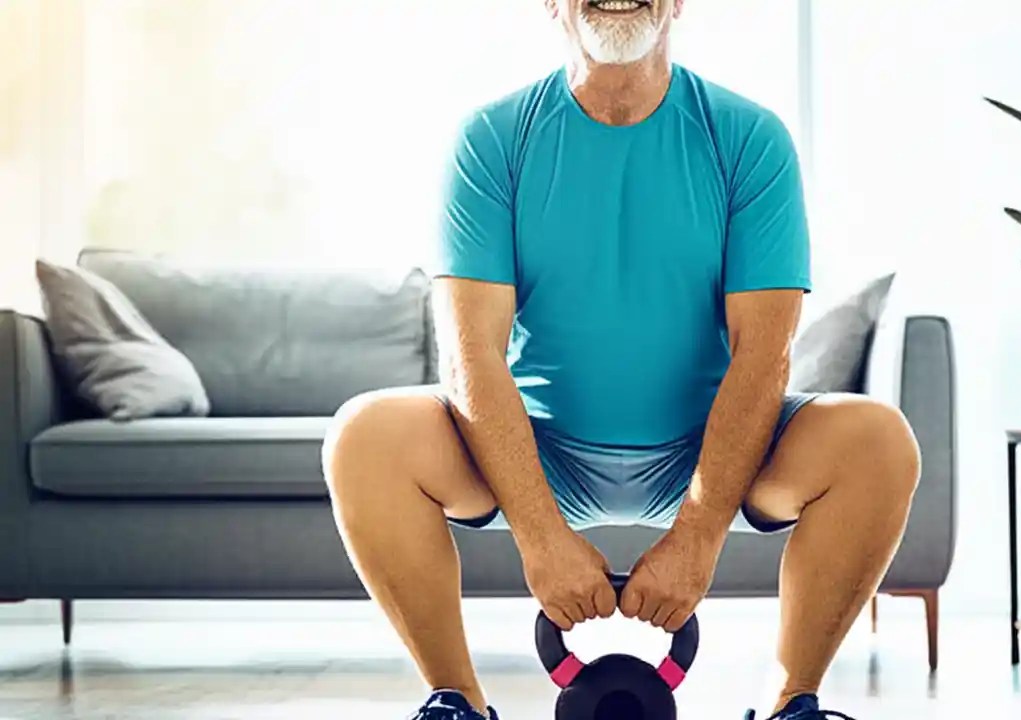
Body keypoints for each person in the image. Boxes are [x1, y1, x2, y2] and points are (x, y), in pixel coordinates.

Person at [321, 1, 921, 718]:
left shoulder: (749, 139)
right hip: (537, 451)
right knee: (363, 435)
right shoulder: (492, 140)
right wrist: (542, 541)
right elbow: (470, 357)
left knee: (879, 441)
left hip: (710, 451)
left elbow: (763, 355)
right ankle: (457, 705)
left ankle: (793, 704)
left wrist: (696, 541)